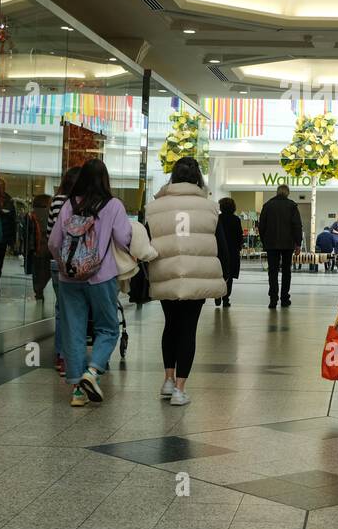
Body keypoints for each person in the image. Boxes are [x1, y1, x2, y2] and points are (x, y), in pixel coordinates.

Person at [48, 159, 132, 408]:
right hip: (101, 276)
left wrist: (65, 264)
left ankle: (77, 391)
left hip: (69, 278)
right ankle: (92, 372)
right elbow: (123, 237)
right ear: (105, 179)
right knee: (107, 328)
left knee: (73, 330)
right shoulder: (113, 205)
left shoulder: (68, 204)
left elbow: (54, 242)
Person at [145, 157, 226, 406]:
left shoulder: (155, 207)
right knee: (188, 329)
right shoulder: (210, 207)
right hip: (197, 274)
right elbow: (221, 246)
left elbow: (147, 241)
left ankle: (168, 380)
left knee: (170, 325)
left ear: (173, 177)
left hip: (165, 271)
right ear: (198, 178)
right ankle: (180, 389)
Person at [48, 166, 82, 377]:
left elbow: (50, 233)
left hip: (56, 261)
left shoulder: (56, 201)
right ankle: (71, 358)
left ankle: (61, 356)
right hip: (78, 264)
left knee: (61, 311)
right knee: (76, 311)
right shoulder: (79, 202)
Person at [258, 182, 303, 308]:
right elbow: (297, 225)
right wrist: (298, 243)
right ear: (287, 193)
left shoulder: (267, 206)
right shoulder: (292, 206)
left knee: (272, 271)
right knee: (286, 271)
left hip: (271, 244)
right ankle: (284, 298)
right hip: (288, 244)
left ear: (277, 192)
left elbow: (261, 225)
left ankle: (273, 299)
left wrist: (264, 241)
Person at [215, 197, 243, 307]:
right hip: (232, 251)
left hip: (219, 251)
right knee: (229, 276)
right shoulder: (236, 220)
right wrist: (239, 247)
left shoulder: (217, 219)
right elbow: (239, 236)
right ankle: (226, 298)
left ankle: (217, 295)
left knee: (218, 274)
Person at [27, 193, 53, 302]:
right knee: (46, 271)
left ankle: (38, 292)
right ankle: (39, 290)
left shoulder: (32, 214)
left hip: (36, 248)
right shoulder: (47, 213)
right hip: (46, 247)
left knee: (38, 271)